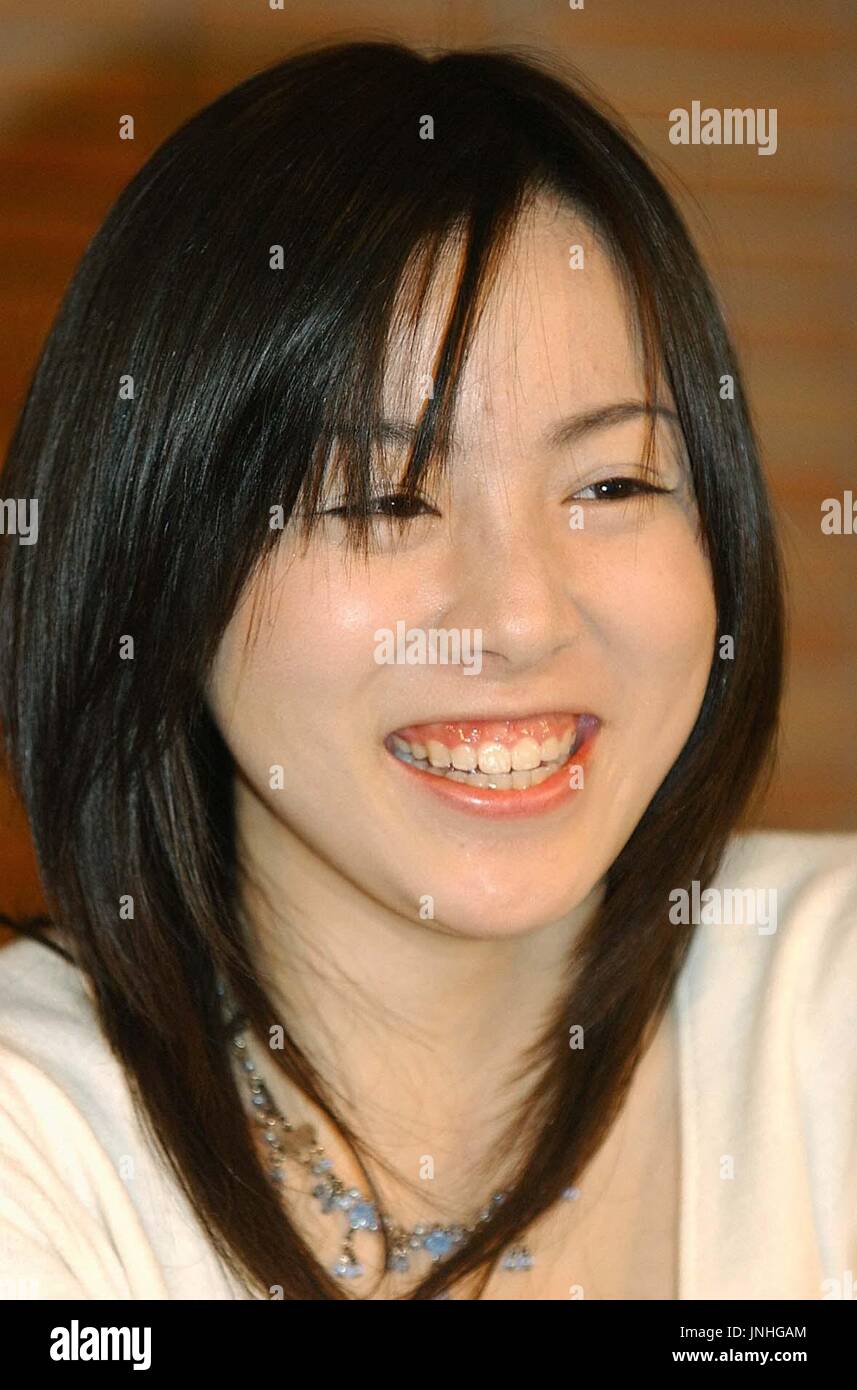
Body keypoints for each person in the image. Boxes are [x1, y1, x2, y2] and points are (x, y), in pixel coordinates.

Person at [0, 39, 854, 1302]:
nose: (516, 617)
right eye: (382, 498)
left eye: (610, 483)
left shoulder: (821, 1010)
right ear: (161, 553)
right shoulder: (41, 1147)